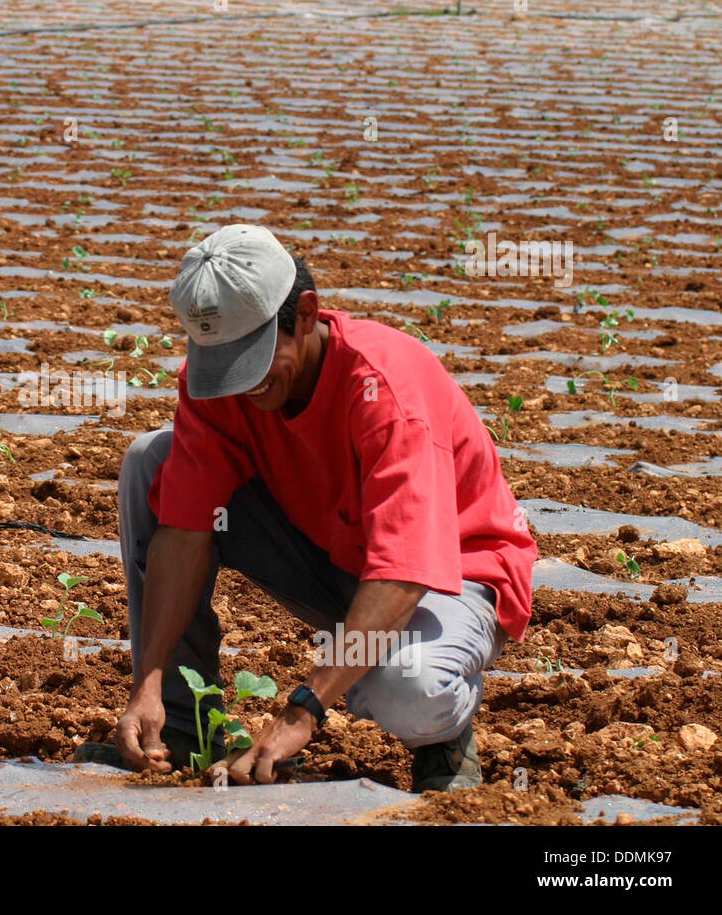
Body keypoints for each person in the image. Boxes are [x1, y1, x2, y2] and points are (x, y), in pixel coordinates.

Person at [98, 224, 538, 792]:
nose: (242, 384)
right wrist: (149, 682)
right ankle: (180, 725)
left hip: (447, 576)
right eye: (224, 362)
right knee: (151, 461)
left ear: (306, 314)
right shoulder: (222, 389)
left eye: (254, 358)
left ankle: (440, 742)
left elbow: (404, 568)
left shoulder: (384, 391)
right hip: (330, 554)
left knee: (410, 685)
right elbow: (184, 532)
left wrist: (302, 713)